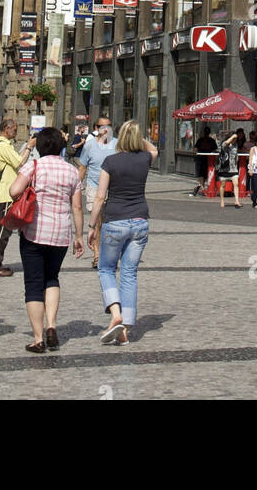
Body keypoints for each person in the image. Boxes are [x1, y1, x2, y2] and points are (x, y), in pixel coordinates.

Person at [9, 127, 84, 353]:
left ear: (39, 147)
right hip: (60, 235)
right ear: (61, 147)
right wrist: (79, 236)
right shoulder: (72, 171)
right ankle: (52, 326)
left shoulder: (34, 166)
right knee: (52, 278)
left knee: (33, 284)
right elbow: (77, 206)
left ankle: (38, 338)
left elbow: (13, 191)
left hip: (34, 232)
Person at [89, 119, 157, 345]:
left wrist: (91, 227)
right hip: (140, 221)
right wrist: (139, 139)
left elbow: (100, 197)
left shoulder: (111, 161)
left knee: (106, 269)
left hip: (115, 221)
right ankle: (125, 328)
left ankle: (116, 313)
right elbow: (154, 149)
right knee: (129, 274)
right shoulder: (145, 159)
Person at [0, 120, 34, 278]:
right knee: (1, 233)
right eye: (14, 129)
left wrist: (28, 147)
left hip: (6, 194)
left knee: (2, 232)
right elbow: (20, 162)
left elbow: (17, 160)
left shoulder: (5, 145)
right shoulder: (3, 146)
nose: (16, 131)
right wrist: (29, 146)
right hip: (5, 194)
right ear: (6, 129)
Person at [78, 116, 117, 269]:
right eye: (102, 126)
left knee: (111, 222)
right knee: (97, 222)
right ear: (96, 128)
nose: (106, 129)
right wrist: (76, 185)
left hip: (114, 187)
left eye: (108, 126)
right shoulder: (89, 145)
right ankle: (97, 255)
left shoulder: (118, 144)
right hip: (94, 187)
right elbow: (82, 167)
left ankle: (110, 253)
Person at [216, 130, 241, 209]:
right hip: (225, 169)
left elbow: (236, 156)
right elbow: (226, 143)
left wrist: (237, 165)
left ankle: (237, 201)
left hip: (233, 168)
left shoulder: (235, 145)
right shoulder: (224, 144)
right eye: (233, 139)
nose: (234, 140)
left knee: (236, 184)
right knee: (223, 185)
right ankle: (222, 200)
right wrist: (233, 136)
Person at [192, 126, 216, 197]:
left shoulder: (201, 140)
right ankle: (205, 187)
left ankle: (202, 187)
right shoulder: (211, 140)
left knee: (202, 174)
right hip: (207, 159)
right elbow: (215, 150)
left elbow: (195, 149)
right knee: (206, 174)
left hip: (202, 159)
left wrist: (196, 154)